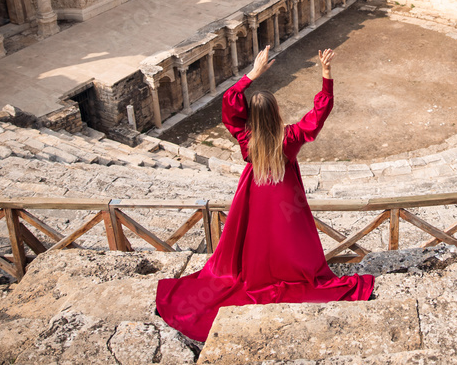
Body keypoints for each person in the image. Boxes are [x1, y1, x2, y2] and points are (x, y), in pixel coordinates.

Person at [155, 45, 374, 342]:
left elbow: (229, 104)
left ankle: (257, 273)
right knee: (292, 238)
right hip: (286, 195)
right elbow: (320, 113)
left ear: (252, 119)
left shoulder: (246, 138)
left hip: (254, 193)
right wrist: (326, 74)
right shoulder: (291, 138)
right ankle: (293, 271)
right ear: (277, 113)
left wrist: (252, 75)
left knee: (255, 238)